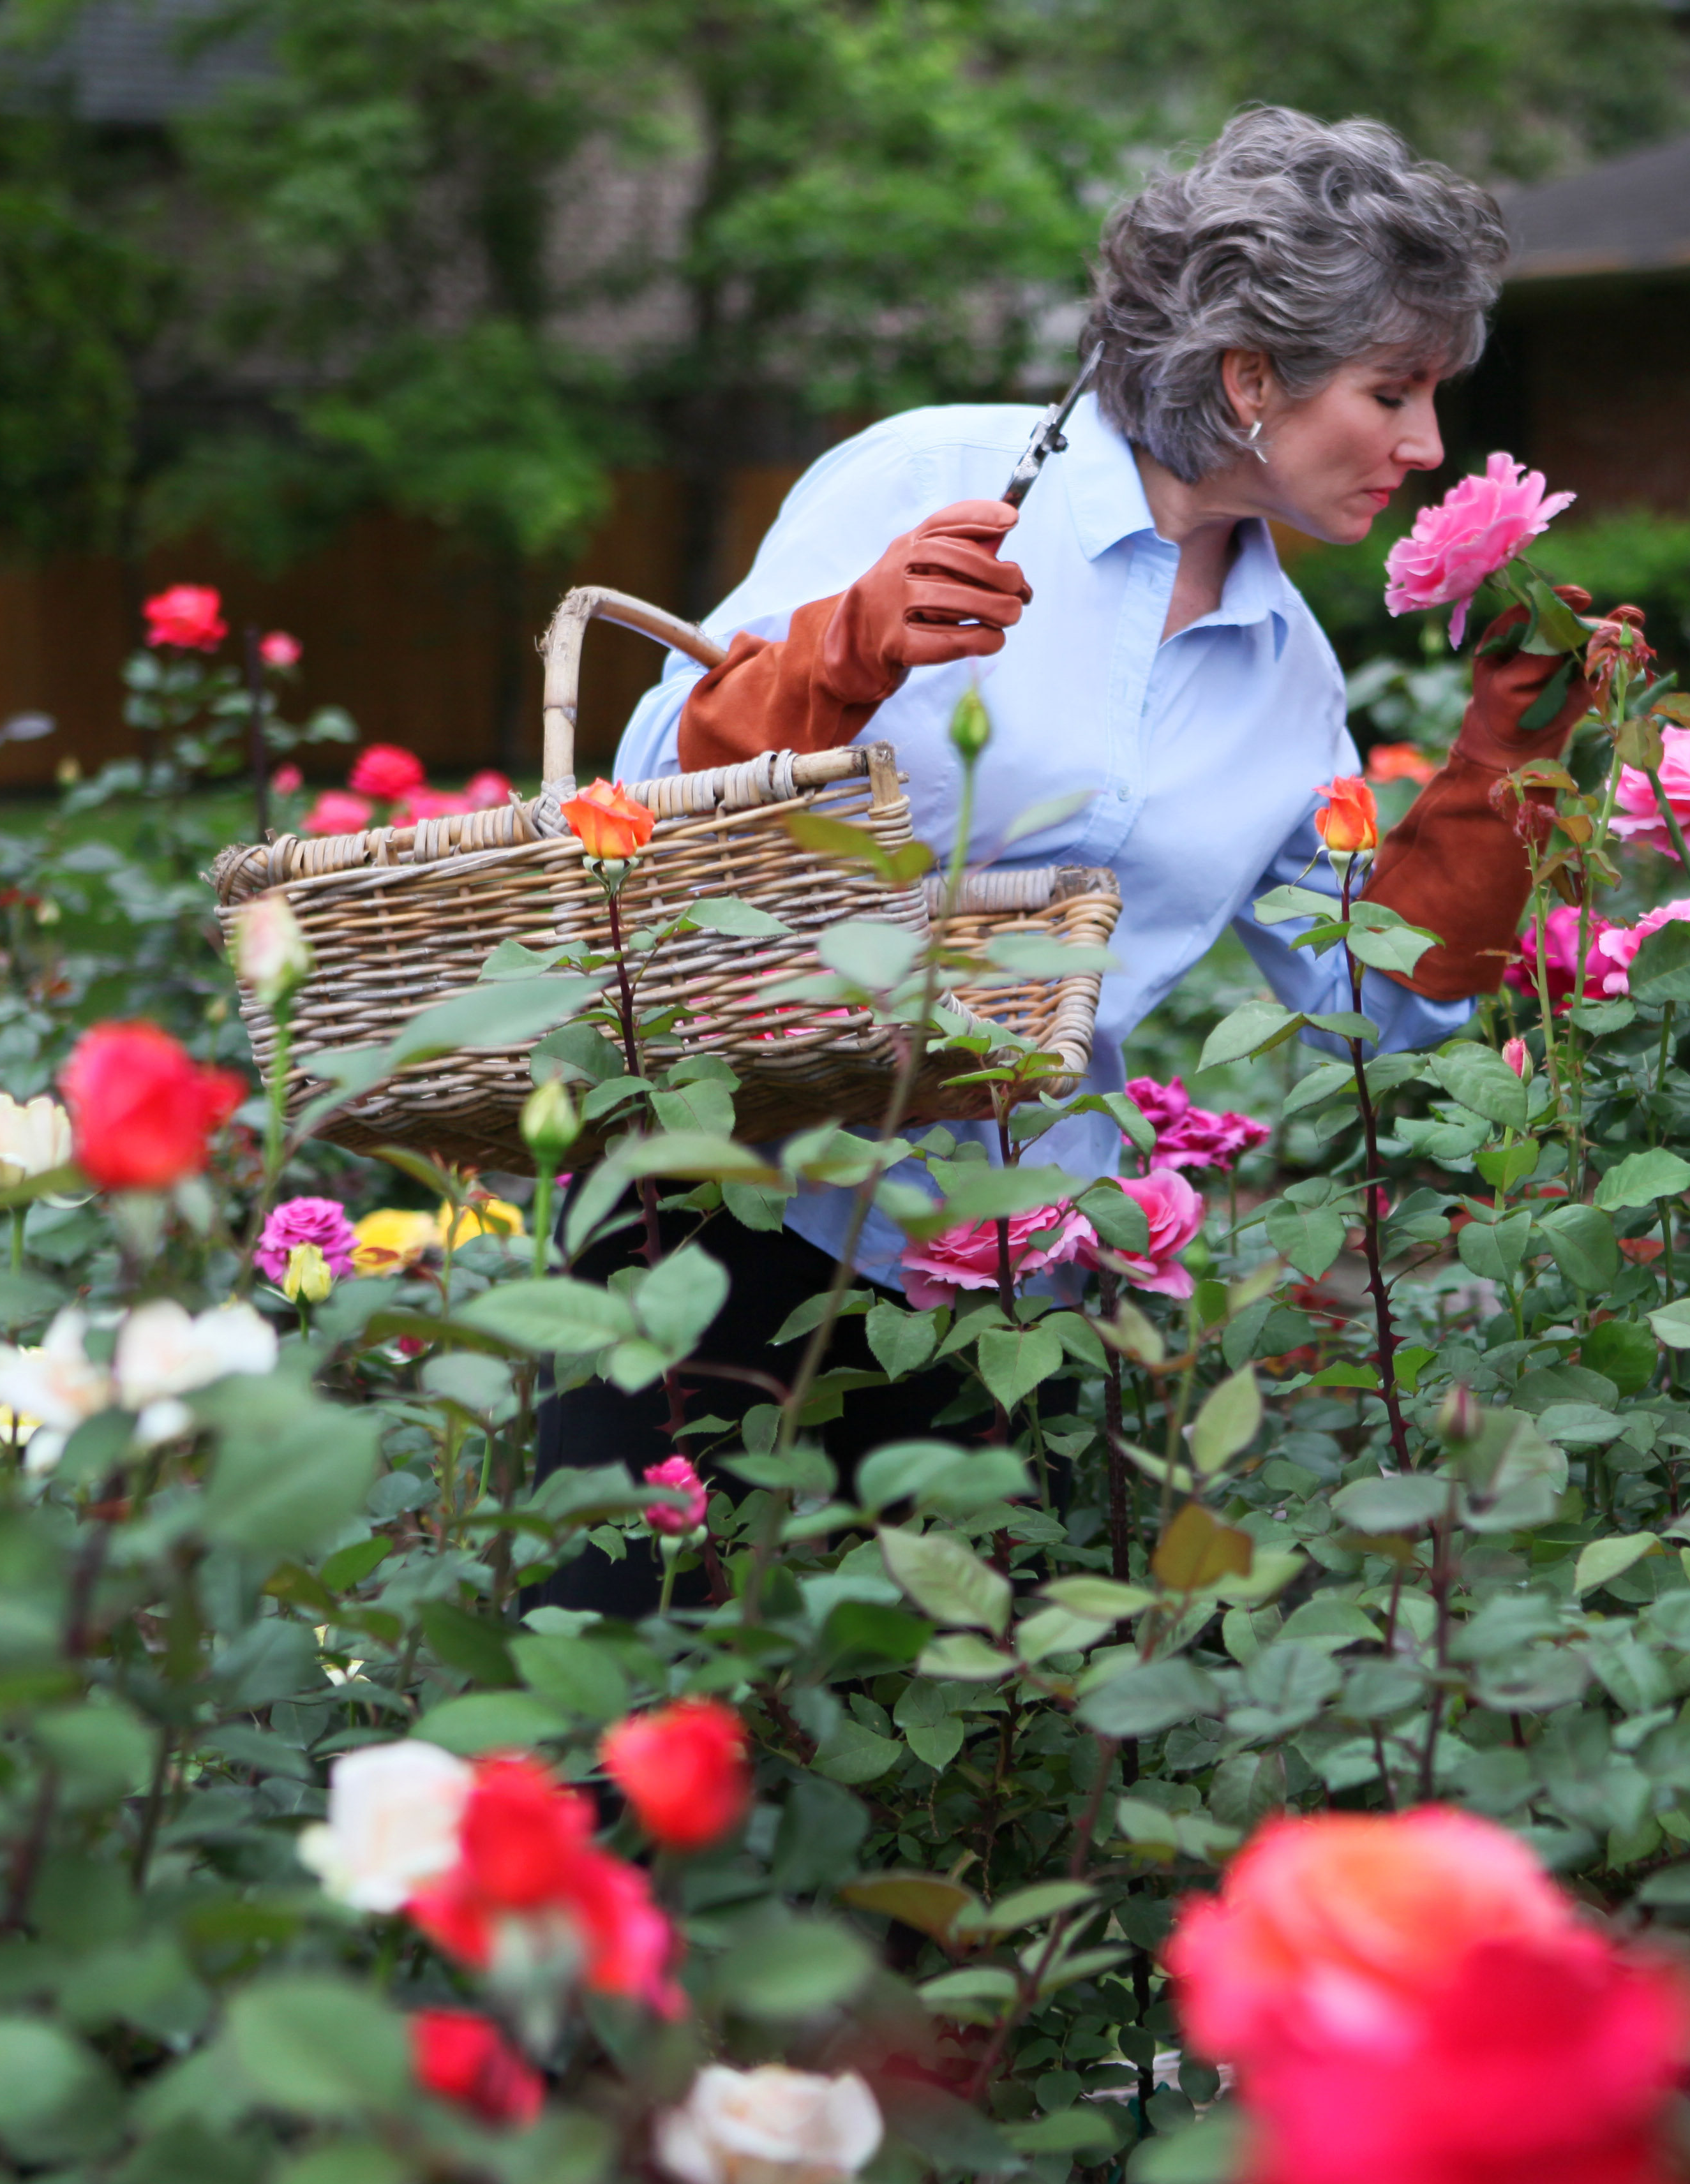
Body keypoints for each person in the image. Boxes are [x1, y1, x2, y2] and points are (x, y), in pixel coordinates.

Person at [534, 106, 1622, 1612]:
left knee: (922, 1758)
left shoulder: (1288, 674)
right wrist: (837, 654)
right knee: (611, 1693)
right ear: (1252, 377)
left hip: (1000, 1281)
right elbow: (642, 804)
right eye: (1395, 391)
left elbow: (1369, 992)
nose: (1429, 448)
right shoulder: (929, 475)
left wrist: (1511, 755)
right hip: (718, 1200)